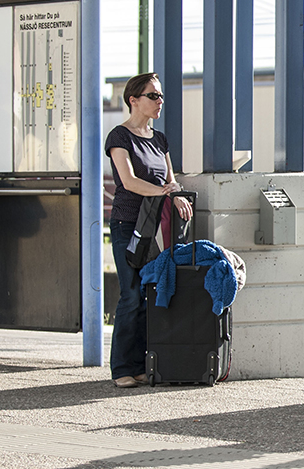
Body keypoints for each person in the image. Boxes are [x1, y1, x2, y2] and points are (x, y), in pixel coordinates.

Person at [106, 72, 192, 388]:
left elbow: (170, 180)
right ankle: (121, 368)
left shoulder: (159, 139)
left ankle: (142, 364)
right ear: (134, 100)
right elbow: (128, 182)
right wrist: (166, 192)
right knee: (130, 293)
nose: (160, 102)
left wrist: (177, 194)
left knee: (149, 292)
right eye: (153, 96)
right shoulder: (119, 137)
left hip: (157, 225)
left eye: (161, 96)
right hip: (129, 224)